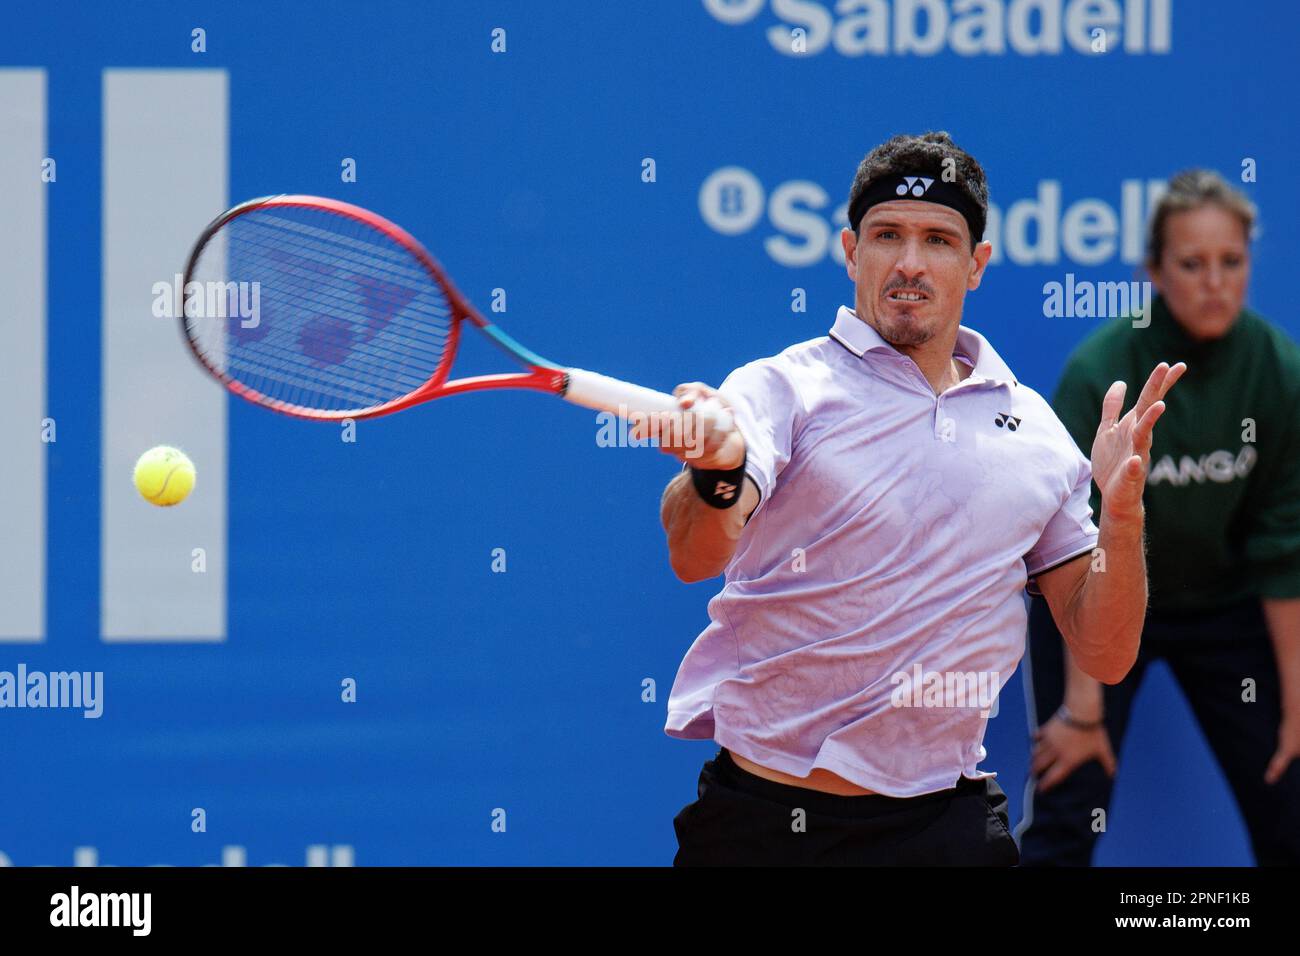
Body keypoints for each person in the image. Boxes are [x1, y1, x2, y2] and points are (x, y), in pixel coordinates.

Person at [650, 131, 1184, 866]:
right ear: (850, 251)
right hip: (766, 827)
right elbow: (694, 551)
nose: (909, 263)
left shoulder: (1034, 432)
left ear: (976, 264)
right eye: (886, 236)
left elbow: (1106, 650)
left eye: (937, 239)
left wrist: (1122, 523)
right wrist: (713, 474)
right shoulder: (780, 390)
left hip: (947, 829)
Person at [1016, 169, 1300, 866]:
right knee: (1069, 802)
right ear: (1153, 271)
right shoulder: (1102, 370)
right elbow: (1073, 543)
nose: (1214, 282)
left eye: (1231, 262)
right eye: (1191, 263)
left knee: (1290, 799)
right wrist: (1084, 711)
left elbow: (1285, 555)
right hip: (1104, 597)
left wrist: (1295, 707)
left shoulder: (1277, 370)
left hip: (1224, 607)